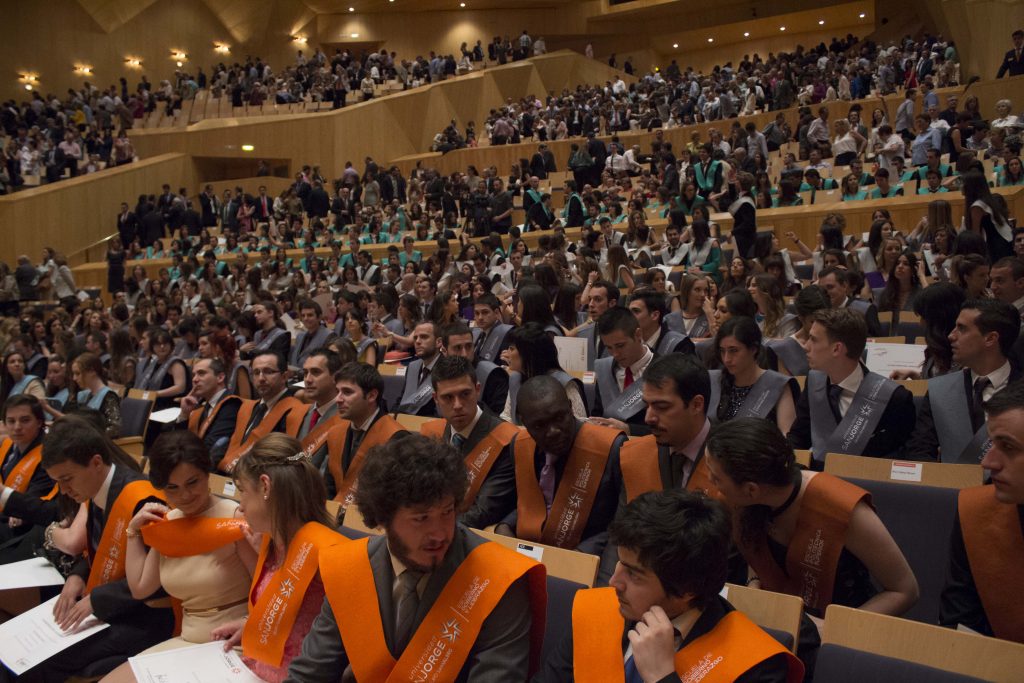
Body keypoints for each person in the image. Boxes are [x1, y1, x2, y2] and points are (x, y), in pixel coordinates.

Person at [284, 433, 544, 681]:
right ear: (383, 519)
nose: (440, 533)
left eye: (447, 512)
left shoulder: (498, 581)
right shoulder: (350, 567)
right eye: (421, 518)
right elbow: (310, 673)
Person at [535, 490, 804, 683]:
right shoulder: (598, 610)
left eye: (634, 574)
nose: (613, 582)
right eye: (620, 563)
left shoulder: (758, 666)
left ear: (686, 590)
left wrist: (661, 677)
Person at [707, 418, 919, 626]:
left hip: (842, 629)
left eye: (716, 478)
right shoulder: (746, 503)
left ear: (752, 489)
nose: (710, 482)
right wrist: (754, 582)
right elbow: (759, 553)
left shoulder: (841, 508)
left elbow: (905, 590)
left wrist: (834, 630)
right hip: (780, 621)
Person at [23, 416, 173, 680]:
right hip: (108, 606)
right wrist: (77, 575)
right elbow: (99, 547)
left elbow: (159, 580)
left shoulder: (142, 501)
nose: (64, 490)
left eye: (67, 479)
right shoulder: (96, 488)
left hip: (144, 617)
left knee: (38, 663)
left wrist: (98, 599)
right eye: (58, 481)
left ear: (95, 462)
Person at [100, 432, 256, 682]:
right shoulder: (168, 523)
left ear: (207, 474)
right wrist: (133, 532)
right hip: (188, 641)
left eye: (192, 482)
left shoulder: (235, 518)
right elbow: (140, 588)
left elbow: (266, 588)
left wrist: (250, 623)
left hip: (235, 643)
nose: (184, 496)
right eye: (172, 488)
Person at [210, 433, 344, 682]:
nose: (240, 506)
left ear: (265, 487)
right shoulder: (274, 541)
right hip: (257, 669)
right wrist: (250, 625)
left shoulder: (329, 553)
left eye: (243, 492)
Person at [497, 375, 624, 554]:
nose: (553, 431)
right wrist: (506, 525)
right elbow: (528, 502)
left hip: (587, 560)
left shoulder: (611, 448)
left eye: (559, 418)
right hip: (532, 553)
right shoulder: (519, 446)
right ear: (524, 423)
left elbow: (621, 525)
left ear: (571, 408)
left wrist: (580, 556)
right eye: (540, 426)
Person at [940, 381, 1024, 642]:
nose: (988, 463)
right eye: (992, 445)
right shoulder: (977, 513)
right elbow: (962, 629)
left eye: (1008, 447)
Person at [787, 308, 916, 465]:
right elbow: (798, 437)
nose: (806, 346)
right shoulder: (814, 383)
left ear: (837, 349)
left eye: (813, 340)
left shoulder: (894, 398)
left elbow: (900, 458)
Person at [905, 299, 1020, 462]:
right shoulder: (940, 389)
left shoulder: (1020, 386)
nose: (951, 336)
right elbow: (919, 450)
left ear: (990, 338)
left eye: (962, 329)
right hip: (951, 484)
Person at [419, 355, 518, 529]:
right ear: (435, 399)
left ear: (477, 389)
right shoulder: (431, 434)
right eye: (448, 398)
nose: (457, 405)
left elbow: (484, 511)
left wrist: (430, 529)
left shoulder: (506, 439)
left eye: (465, 394)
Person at [326, 362, 407, 505]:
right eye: (337, 391)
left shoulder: (397, 438)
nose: (338, 399)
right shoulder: (336, 432)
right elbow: (329, 486)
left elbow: (393, 498)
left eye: (347, 392)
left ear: (371, 396)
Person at [709, 317, 799, 432]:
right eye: (722, 351)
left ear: (753, 349)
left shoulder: (778, 385)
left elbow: (787, 437)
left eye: (734, 350)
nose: (726, 359)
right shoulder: (713, 380)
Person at [222, 352, 306, 472]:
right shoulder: (248, 408)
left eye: (268, 372)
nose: (261, 378)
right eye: (256, 373)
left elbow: (283, 458)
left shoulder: (295, 410)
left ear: (284, 376)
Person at [501, 322, 588, 423]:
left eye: (511, 349)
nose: (507, 353)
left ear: (528, 354)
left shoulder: (563, 383)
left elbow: (580, 423)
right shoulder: (515, 378)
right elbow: (506, 416)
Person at [590, 307, 655, 435]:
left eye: (620, 346)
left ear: (638, 335)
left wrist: (629, 429)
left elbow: (674, 428)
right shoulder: (605, 369)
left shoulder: (665, 370)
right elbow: (597, 415)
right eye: (609, 347)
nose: (615, 354)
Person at [0, 396, 55, 546]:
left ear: (39, 422)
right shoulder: (9, 445)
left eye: (25, 420)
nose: (17, 427)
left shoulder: (49, 456)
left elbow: (35, 505)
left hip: (24, 528)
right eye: (11, 421)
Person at [179, 357, 242, 469]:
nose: (195, 379)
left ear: (220, 377)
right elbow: (177, 440)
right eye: (194, 375)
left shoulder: (231, 404)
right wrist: (184, 414)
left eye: (201, 373)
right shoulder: (201, 406)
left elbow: (212, 446)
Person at [440, 322, 508, 416]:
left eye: (468, 346)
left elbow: (498, 416)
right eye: (457, 348)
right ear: (444, 351)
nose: (464, 354)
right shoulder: (440, 373)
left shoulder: (493, 374)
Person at [296, 348, 343, 473]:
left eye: (316, 372)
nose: (308, 379)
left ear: (336, 377)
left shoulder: (345, 417)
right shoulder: (303, 413)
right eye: (305, 373)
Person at [626, 289, 694, 357]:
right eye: (629, 312)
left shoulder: (680, 345)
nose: (629, 316)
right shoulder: (626, 342)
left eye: (636, 311)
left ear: (655, 315)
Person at [396, 321, 442, 416]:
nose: (417, 342)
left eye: (424, 337)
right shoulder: (412, 367)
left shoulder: (447, 369)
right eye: (415, 338)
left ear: (438, 342)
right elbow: (401, 399)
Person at [574, 278, 619, 370]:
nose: (590, 304)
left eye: (597, 300)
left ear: (612, 303)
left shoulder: (625, 333)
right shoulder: (583, 333)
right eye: (590, 299)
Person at [289, 299, 331, 369]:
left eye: (310, 315)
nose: (305, 318)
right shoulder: (300, 336)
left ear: (319, 317)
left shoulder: (328, 336)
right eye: (303, 315)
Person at [473, 292, 513, 363]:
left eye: (485, 312)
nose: (480, 317)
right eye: (477, 313)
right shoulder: (478, 333)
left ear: (496, 313)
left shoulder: (506, 334)